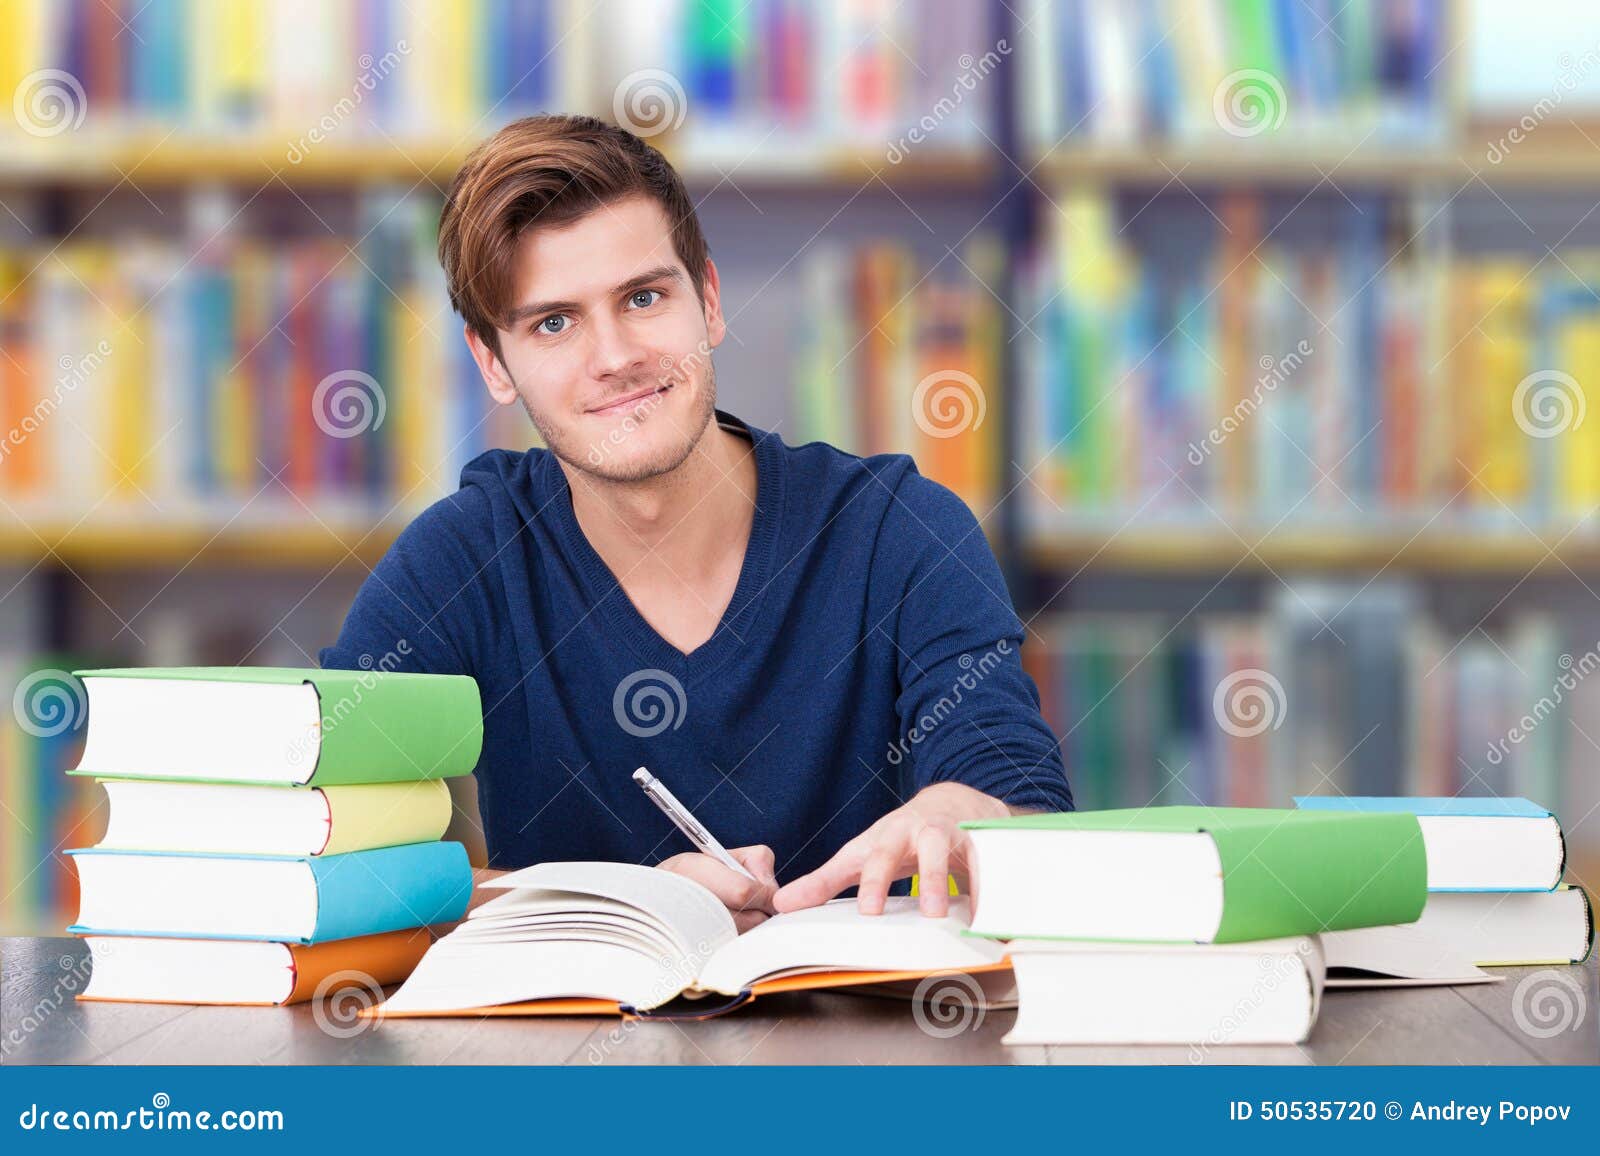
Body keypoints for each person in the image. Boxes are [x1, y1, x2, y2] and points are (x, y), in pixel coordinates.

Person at [318, 114, 1072, 932]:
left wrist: (967, 812)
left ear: (708, 301)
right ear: (492, 363)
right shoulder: (461, 558)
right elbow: (330, 841)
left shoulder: (900, 529)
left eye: (643, 298)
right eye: (553, 323)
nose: (614, 356)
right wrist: (626, 905)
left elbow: (1018, 795)